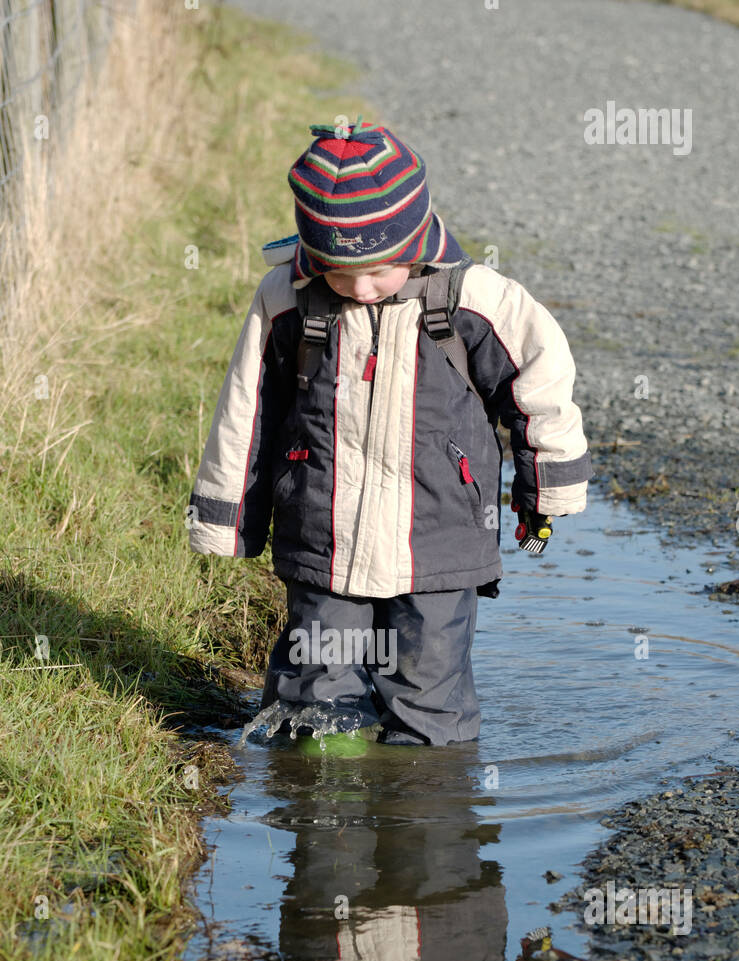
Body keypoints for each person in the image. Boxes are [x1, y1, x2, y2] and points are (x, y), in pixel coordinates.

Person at [187, 118, 592, 745]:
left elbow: (539, 389)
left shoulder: (476, 300)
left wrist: (545, 493)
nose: (359, 288)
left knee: (429, 696)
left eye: (378, 271)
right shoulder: (288, 299)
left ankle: (426, 816)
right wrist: (226, 518)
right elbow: (247, 409)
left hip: (441, 542)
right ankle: (323, 813)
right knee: (313, 692)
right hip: (322, 538)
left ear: (415, 237)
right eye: (339, 273)